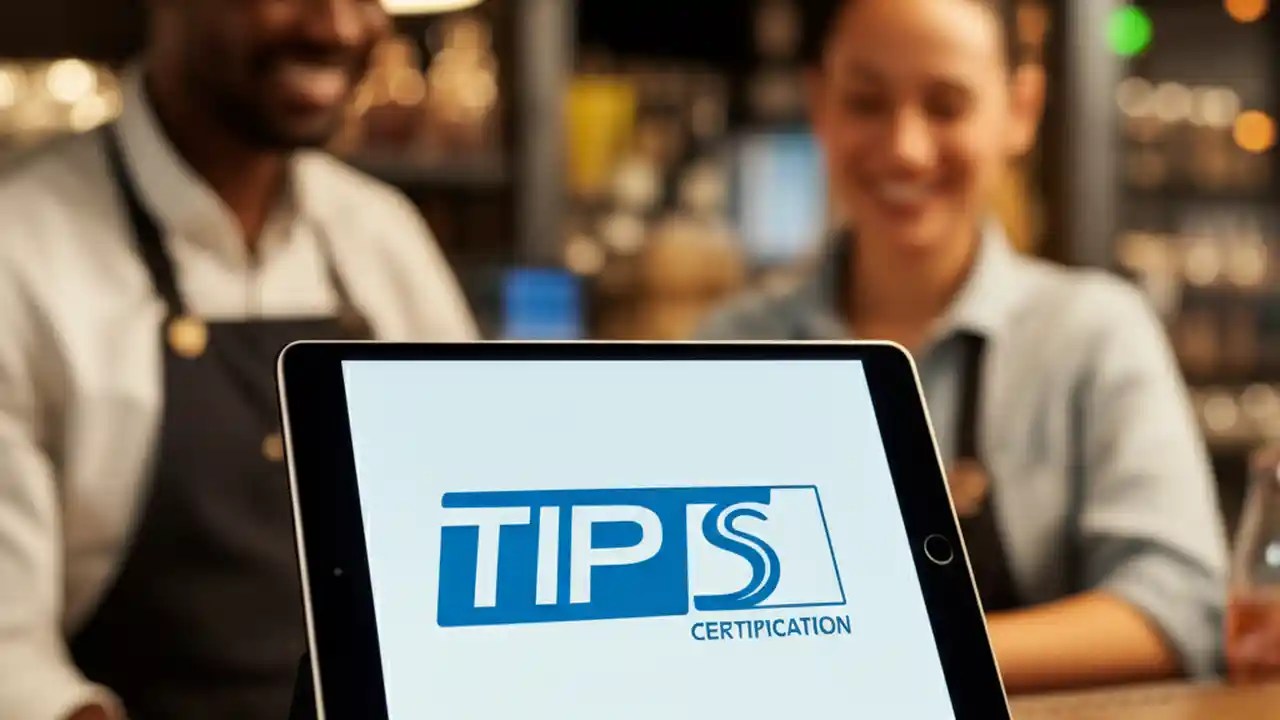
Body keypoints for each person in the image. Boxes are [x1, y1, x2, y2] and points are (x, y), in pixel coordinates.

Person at [697, 0, 1227, 695]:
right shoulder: (732, 347)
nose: (905, 148)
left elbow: (1179, 609)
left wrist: (890, 653)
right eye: (865, 102)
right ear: (819, 103)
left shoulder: (1093, 334)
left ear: (1020, 109)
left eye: (946, 106)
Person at [0, 1, 477, 719]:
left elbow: (465, 538)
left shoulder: (379, 235)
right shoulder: (20, 250)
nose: (340, 26)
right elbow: (10, 658)